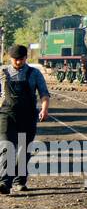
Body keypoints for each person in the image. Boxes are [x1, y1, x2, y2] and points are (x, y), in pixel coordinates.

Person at [1, 44, 50, 195]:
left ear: (25, 58)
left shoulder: (34, 73)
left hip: (28, 116)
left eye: (20, 59)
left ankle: (19, 181)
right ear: (10, 58)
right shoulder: (2, 74)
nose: (17, 62)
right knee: (6, 147)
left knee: (23, 149)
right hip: (6, 114)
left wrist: (44, 108)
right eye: (15, 60)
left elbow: (44, 93)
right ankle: (4, 182)